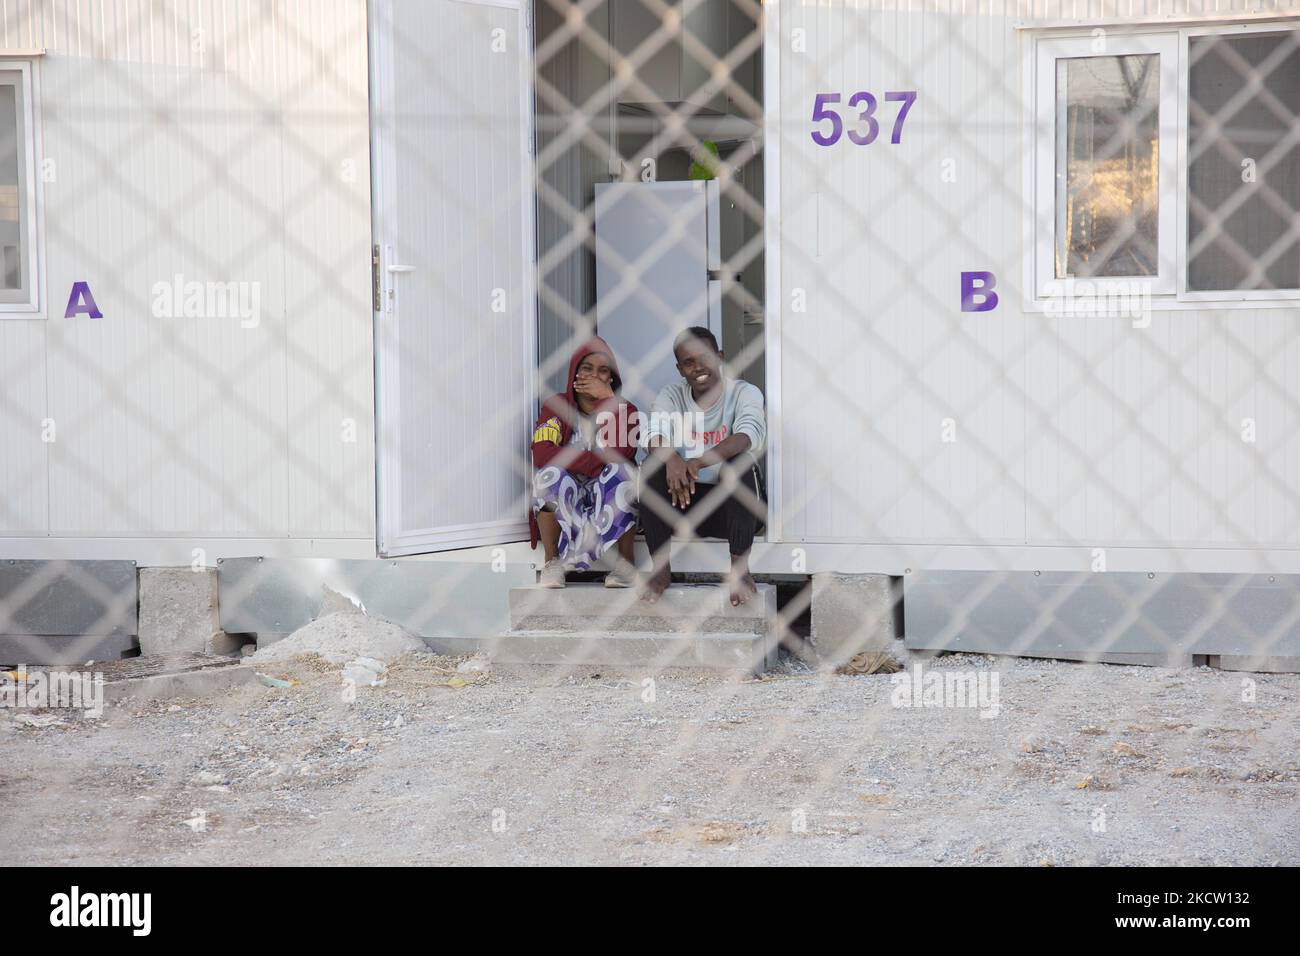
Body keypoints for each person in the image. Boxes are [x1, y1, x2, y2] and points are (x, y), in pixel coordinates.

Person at [640, 327, 766, 606]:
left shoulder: (744, 393)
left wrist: (698, 461)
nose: (698, 367)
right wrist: (672, 459)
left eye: (705, 357)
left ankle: (739, 569)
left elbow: (748, 434)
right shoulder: (672, 396)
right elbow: (652, 433)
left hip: (736, 510)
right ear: (679, 369)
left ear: (720, 357)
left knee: (740, 464)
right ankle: (660, 569)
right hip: (684, 503)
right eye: (688, 362)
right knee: (652, 463)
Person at [530, 336, 640, 589]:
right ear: (574, 374)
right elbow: (541, 453)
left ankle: (625, 565)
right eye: (587, 369)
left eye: (603, 371)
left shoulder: (625, 409)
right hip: (570, 494)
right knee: (548, 476)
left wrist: (606, 401)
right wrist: (596, 462)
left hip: (608, 494)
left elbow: (621, 452)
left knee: (623, 473)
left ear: (611, 379)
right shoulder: (556, 407)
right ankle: (552, 563)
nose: (595, 376)